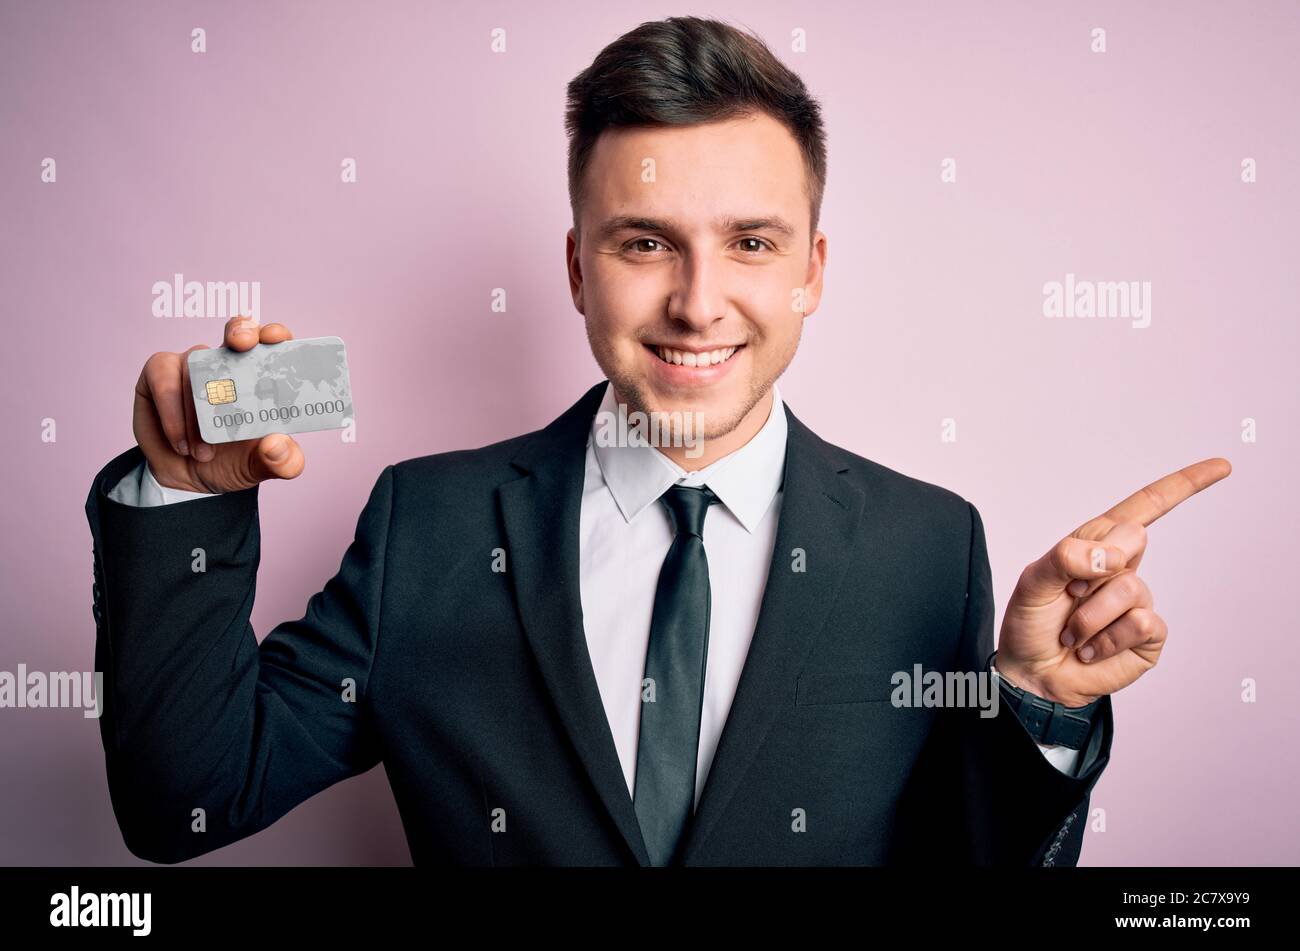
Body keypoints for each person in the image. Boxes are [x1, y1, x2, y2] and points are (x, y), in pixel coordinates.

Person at [84, 16, 1229, 866]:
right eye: (643, 242)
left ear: (811, 272)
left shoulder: (929, 544)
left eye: (749, 242)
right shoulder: (425, 524)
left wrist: (1038, 705)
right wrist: (182, 494)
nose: (697, 302)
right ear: (577, 267)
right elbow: (187, 794)